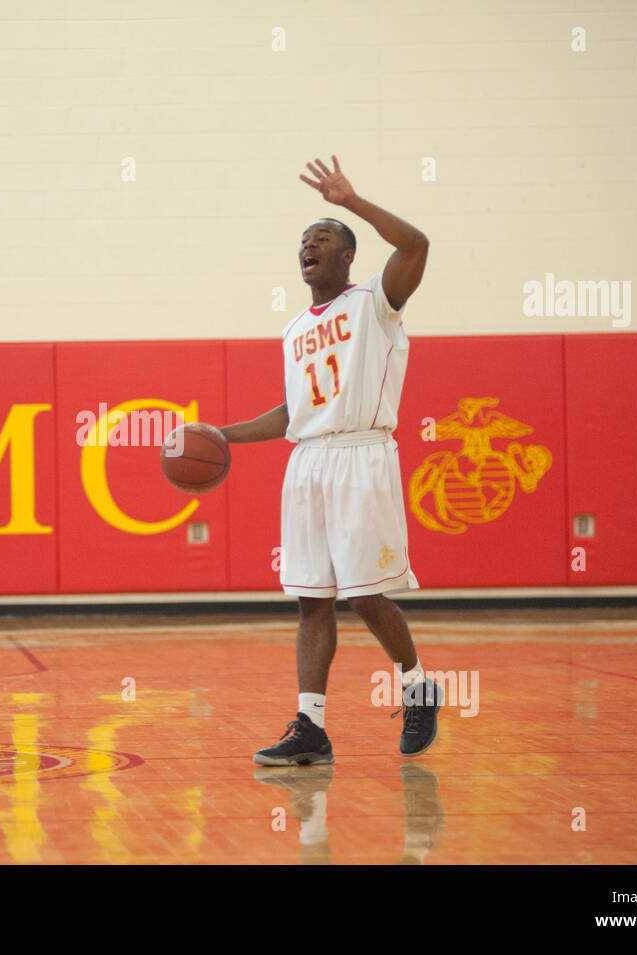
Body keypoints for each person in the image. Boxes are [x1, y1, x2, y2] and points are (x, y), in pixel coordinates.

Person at [216, 155, 439, 765]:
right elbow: (294, 413)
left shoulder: (376, 301)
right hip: (308, 463)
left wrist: (352, 202)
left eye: (322, 238)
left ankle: (418, 687)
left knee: (366, 594)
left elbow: (417, 243)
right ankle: (310, 727)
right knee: (312, 599)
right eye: (303, 241)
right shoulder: (293, 330)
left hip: (362, 456)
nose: (308, 246)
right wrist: (222, 435)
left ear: (346, 255)